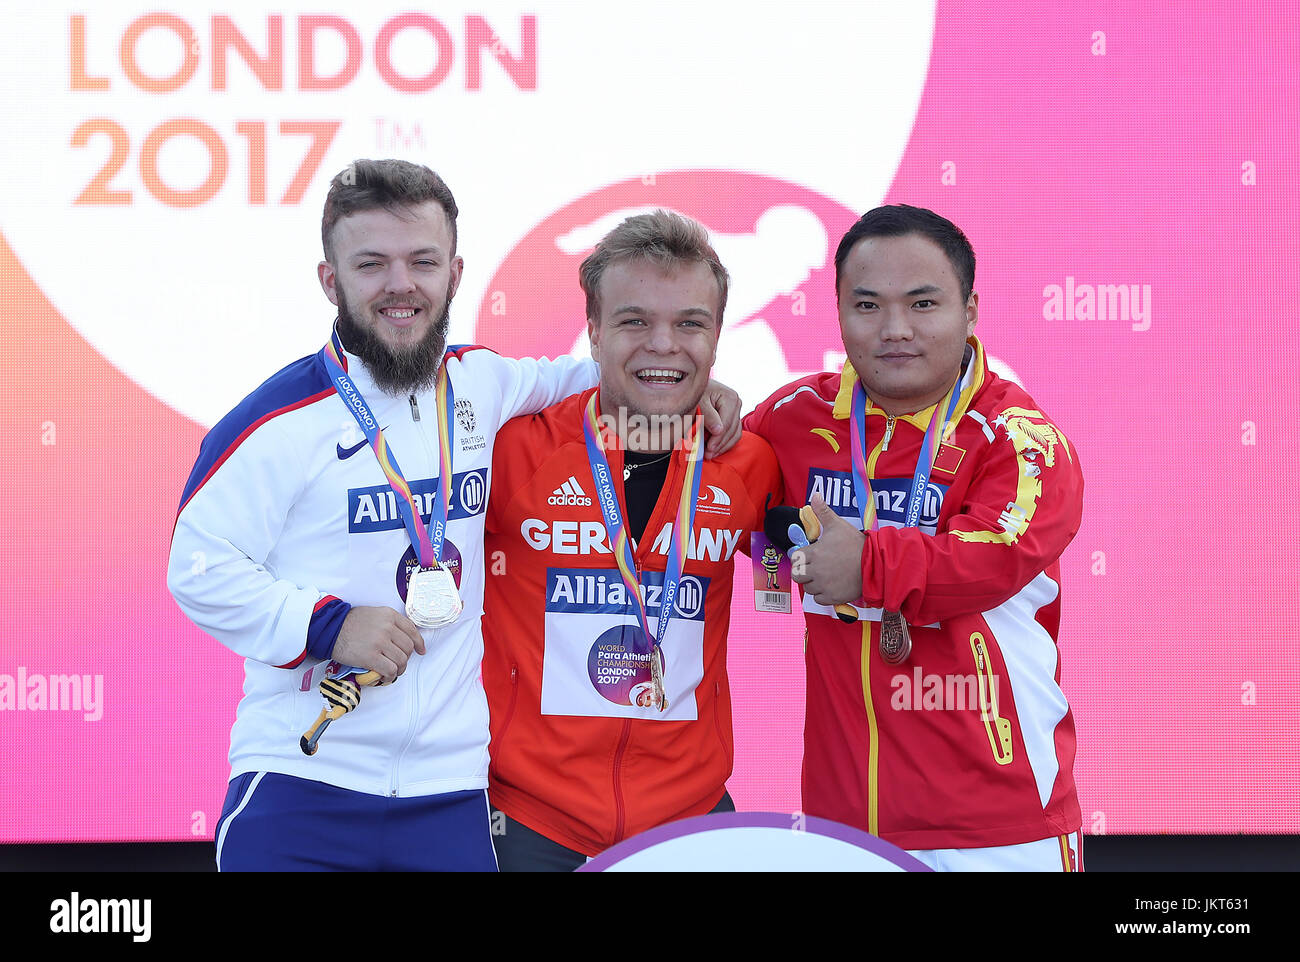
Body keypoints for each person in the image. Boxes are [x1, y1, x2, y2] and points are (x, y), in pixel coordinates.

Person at [166, 161, 741, 872]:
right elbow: (196, 565)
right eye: (371, 264)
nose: (400, 284)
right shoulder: (279, 420)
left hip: (450, 791)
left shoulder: (483, 383)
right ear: (330, 280)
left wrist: (704, 387)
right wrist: (329, 625)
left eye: (422, 261)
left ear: (455, 273)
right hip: (303, 775)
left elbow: (616, 366)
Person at [744, 204, 1085, 872]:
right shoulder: (789, 421)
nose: (895, 330)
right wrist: (707, 416)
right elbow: (716, 505)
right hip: (846, 829)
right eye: (867, 305)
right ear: (837, 309)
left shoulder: (1019, 439)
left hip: (1001, 830)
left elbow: (992, 556)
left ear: (970, 310)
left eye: (923, 303)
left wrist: (866, 563)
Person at [481, 210, 783, 871]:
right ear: (592, 331)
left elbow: (794, 580)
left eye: (690, 324)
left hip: (691, 824)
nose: (663, 344)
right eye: (634, 321)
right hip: (528, 823)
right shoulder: (510, 449)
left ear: (717, 335)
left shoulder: (750, 463)